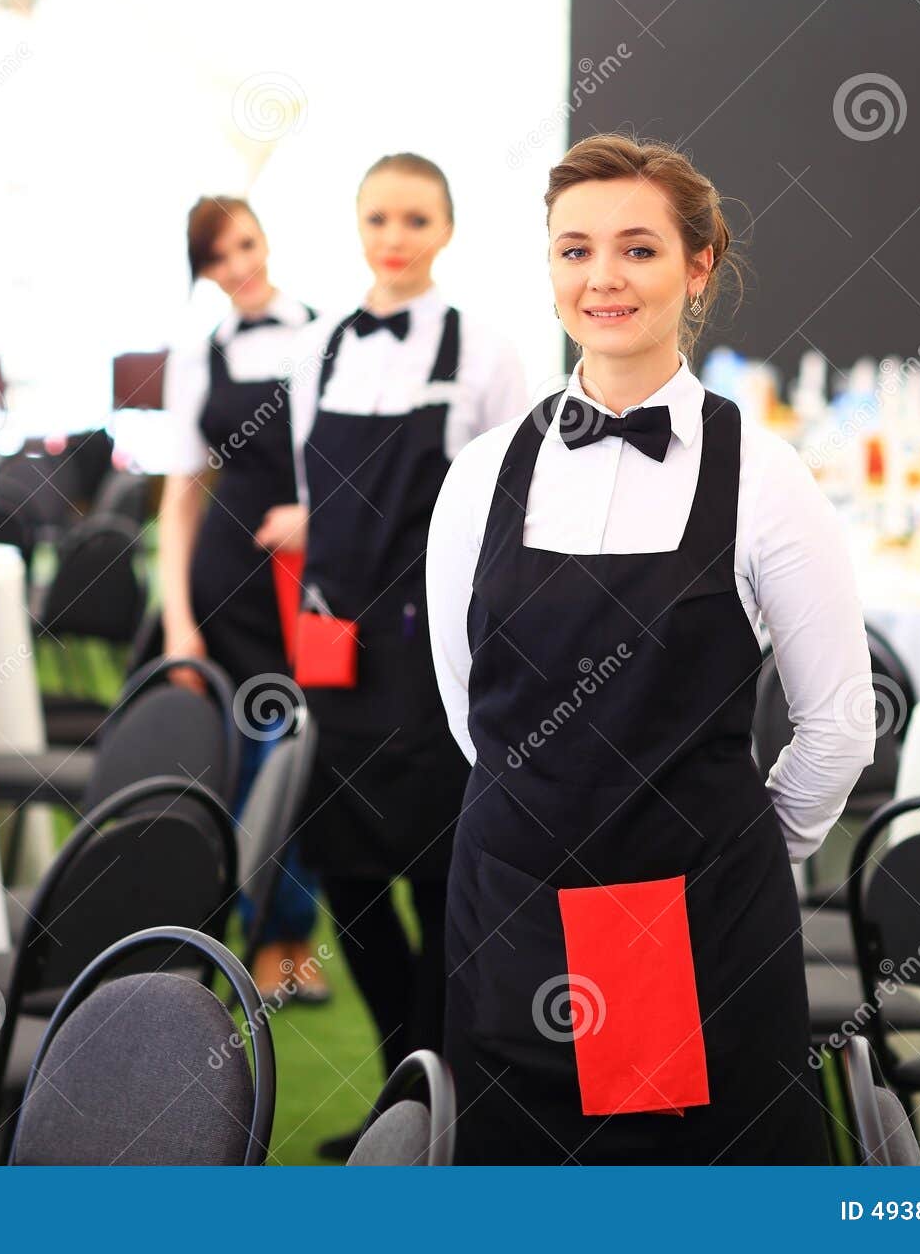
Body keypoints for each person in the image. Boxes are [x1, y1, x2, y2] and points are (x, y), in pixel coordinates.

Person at [426, 133, 875, 1164]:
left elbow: (840, 725)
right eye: (574, 250)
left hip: (697, 923)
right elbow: (467, 702)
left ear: (699, 262)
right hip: (513, 900)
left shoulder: (766, 477)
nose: (603, 278)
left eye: (637, 249)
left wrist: (735, 855)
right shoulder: (483, 471)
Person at [258, 153, 527, 1156]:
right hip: (336, 654)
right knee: (348, 878)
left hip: (436, 662)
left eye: (415, 218)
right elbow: (309, 491)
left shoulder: (487, 351)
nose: (394, 235)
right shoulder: (318, 346)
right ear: (357, 225)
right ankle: (396, 1088)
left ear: (445, 230)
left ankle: (442, 1105)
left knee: (437, 878)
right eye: (378, 216)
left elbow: (514, 514)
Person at [158, 194, 325, 1003]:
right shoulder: (201, 355)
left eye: (247, 245)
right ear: (206, 272)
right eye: (220, 257)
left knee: (306, 757)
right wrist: (178, 623)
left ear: (268, 240)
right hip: (225, 585)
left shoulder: (330, 334)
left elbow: (370, 470)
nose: (241, 266)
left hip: (312, 584)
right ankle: (260, 940)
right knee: (244, 765)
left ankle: (295, 935)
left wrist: (317, 515)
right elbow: (179, 499)